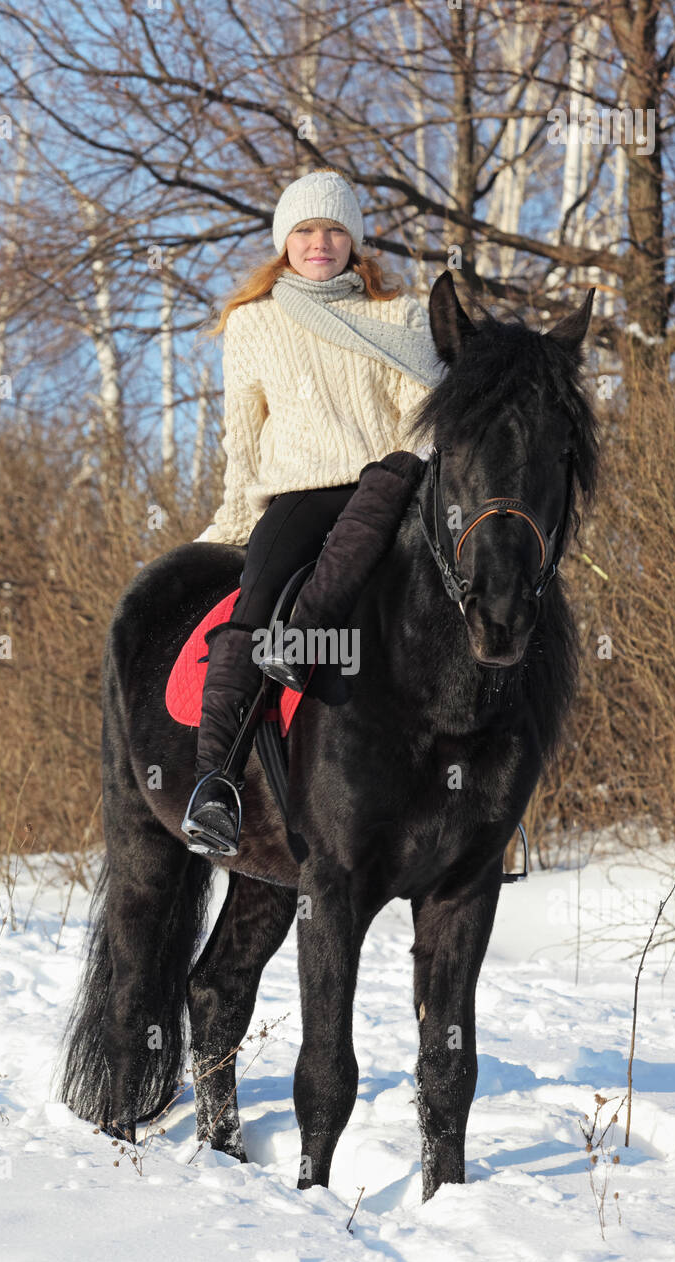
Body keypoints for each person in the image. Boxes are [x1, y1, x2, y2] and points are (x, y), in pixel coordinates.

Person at [182, 168, 443, 856]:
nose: (319, 242)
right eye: (304, 230)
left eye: (333, 230)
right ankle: (215, 784)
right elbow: (243, 433)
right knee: (254, 601)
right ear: (285, 243)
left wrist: (410, 476)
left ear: (353, 243)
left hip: (386, 487)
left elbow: (422, 418)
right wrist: (235, 514)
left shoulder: (401, 316)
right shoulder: (254, 323)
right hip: (296, 493)